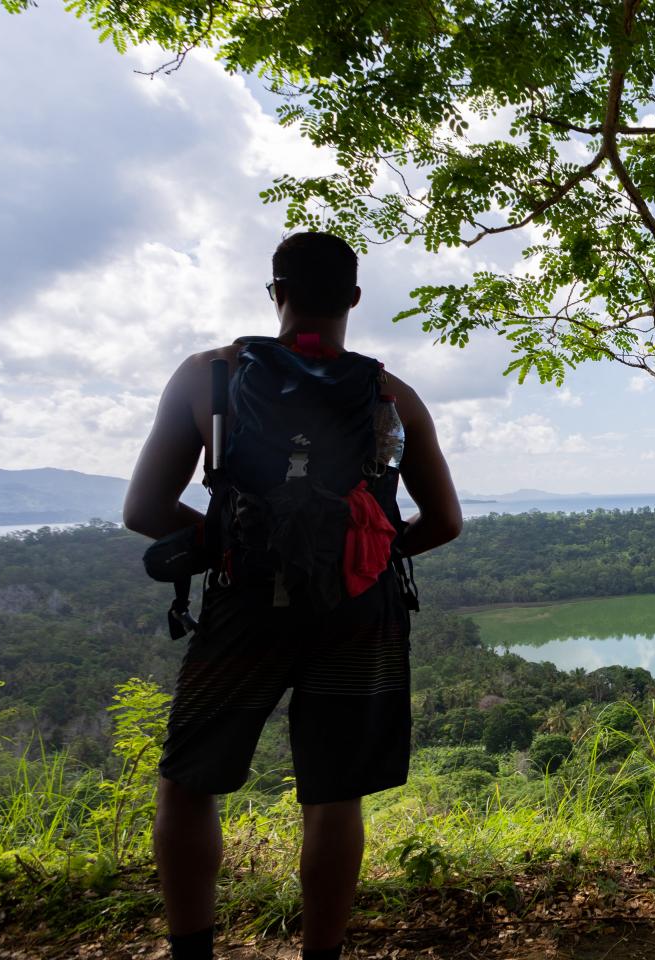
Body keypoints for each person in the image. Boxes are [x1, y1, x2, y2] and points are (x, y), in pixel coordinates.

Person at [123, 231, 462, 960]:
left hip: (245, 605)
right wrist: (360, 554)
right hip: (357, 614)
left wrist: (231, 542)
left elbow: (145, 511)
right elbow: (444, 522)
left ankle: (192, 951)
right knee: (333, 793)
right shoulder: (390, 394)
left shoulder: (208, 376)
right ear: (355, 299)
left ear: (275, 292)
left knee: (189, 783)